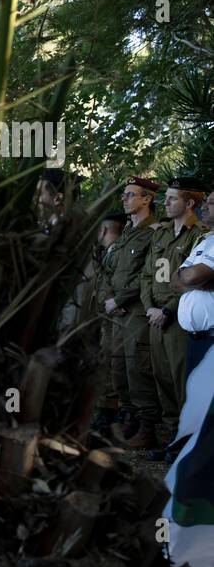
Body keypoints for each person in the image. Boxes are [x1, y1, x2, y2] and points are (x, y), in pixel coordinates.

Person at [140, 177, 206, 460]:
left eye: (171, 198)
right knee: (163, 378)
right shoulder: (161, 233)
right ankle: (172, 437)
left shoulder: (200, 235)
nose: (164, 203)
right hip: (155, 317)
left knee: (183, 381)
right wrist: (149, 308)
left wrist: (167, 309)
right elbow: (147, 275)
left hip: (177, 319)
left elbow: (193, 281)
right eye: (165, 197)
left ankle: (190, 442)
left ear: (189, 203)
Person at [103, 176, 165, 449]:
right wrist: (109, 298)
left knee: (137, 367)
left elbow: (146, 274)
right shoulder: (127, 232)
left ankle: (147, 425)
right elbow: (110, 268)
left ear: (147, 199)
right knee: (119, 365)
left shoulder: (155, 233)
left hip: (136, 309)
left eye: (130, 195)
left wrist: (118, 299)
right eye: (125, 194)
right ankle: (128, 416)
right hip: (117, 309)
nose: (125, 199)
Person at [91, 212, 128, 429]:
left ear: (103, 230)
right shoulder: (104, 253)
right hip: (102, 314)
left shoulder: (119, 253)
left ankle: (113, 410)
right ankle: (108, 407)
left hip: (115, 315)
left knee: (114, 363)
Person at [175, 191, 214, 378]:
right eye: (205, 201)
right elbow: (175, 280)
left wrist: (192, 278)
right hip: (196, 341)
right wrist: (203, 282)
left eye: (211, 203)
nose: (204, 207)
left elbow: (191, 277)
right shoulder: (204, 241)